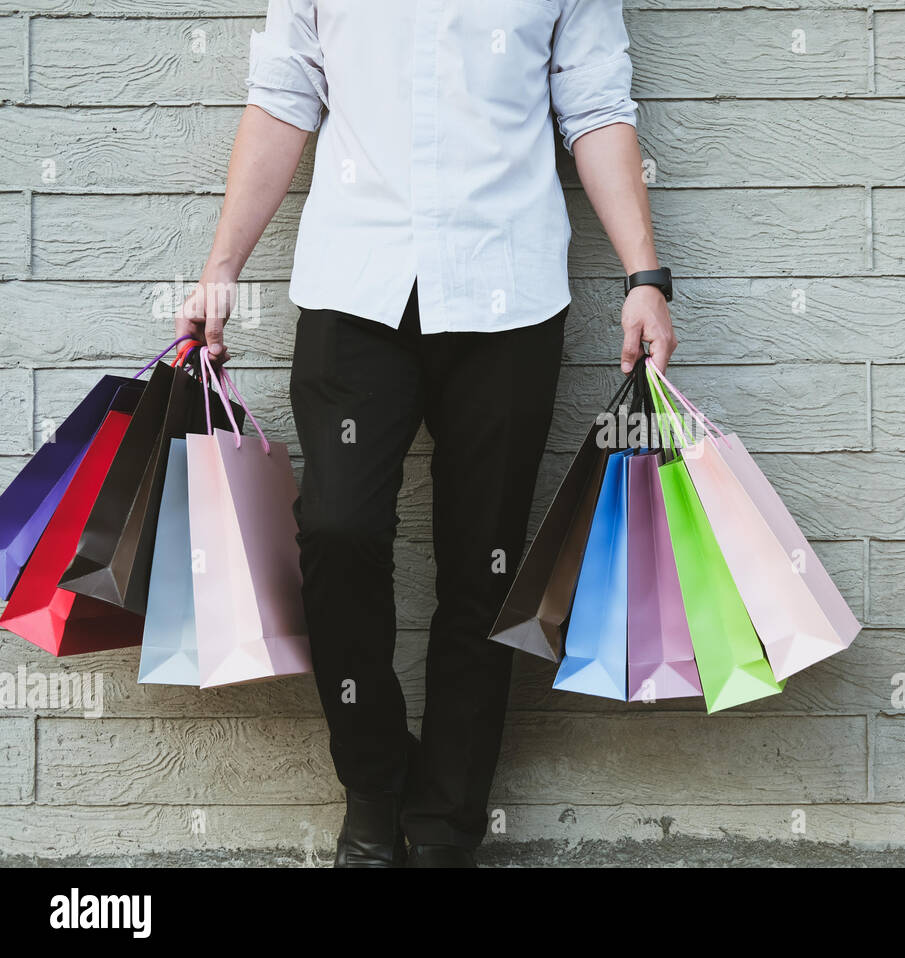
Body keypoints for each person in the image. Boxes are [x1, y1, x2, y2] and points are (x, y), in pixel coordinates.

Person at [175, 0, 677, 868]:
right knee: (338, 531)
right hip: (355, 286)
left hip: (508, 292)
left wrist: (645, 275)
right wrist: (222, 267)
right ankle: (374, 784)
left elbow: (595, 105)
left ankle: (446, 824)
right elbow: (285, 93)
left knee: (483, 565)